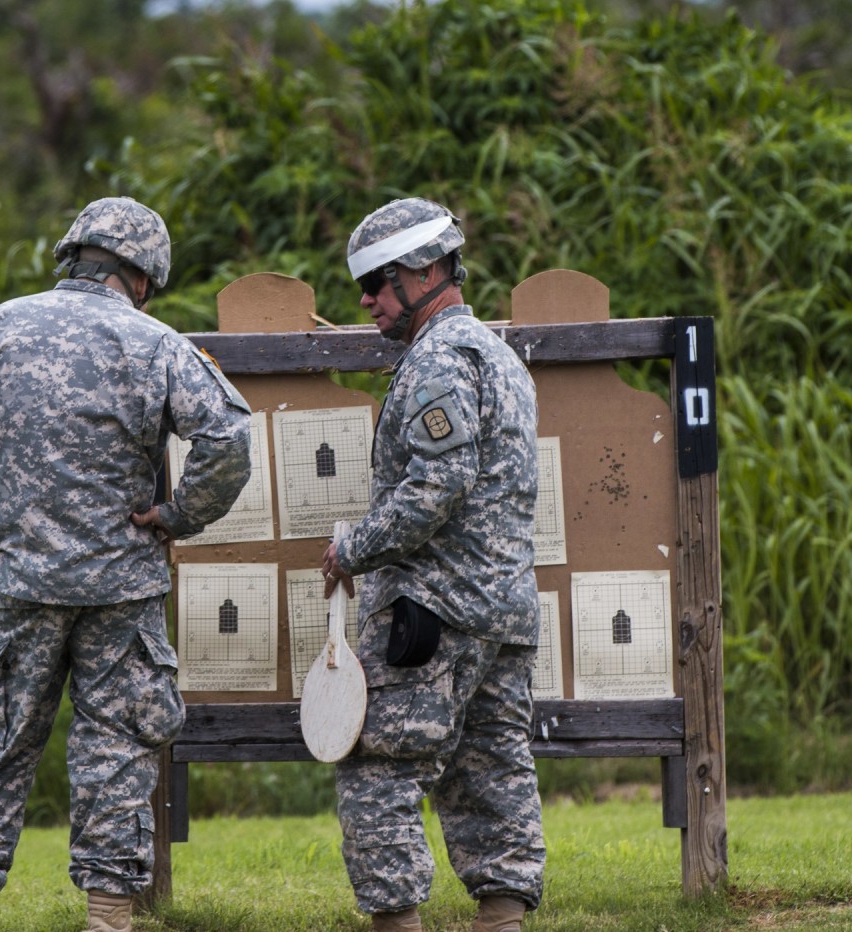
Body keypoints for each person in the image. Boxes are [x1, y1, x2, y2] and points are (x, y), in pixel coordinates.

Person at [0, 196, 252, 932]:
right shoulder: (157, 343)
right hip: (120, 587)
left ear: (75, 255)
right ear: (143, 275)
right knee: (117, 745)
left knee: (4, 741)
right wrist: (176, 516)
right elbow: (228, 437)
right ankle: (108, 914)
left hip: (22, 581)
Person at [320, 197, 545, 932]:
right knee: (494, 771)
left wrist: (352, 547)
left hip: (430, 616)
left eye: (378, 283)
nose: (366, 300)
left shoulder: (439, 362)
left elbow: (436, 485)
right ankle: (503, 920)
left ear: (424, 271)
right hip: (503, 615)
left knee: (379, 769)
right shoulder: (499, 357)